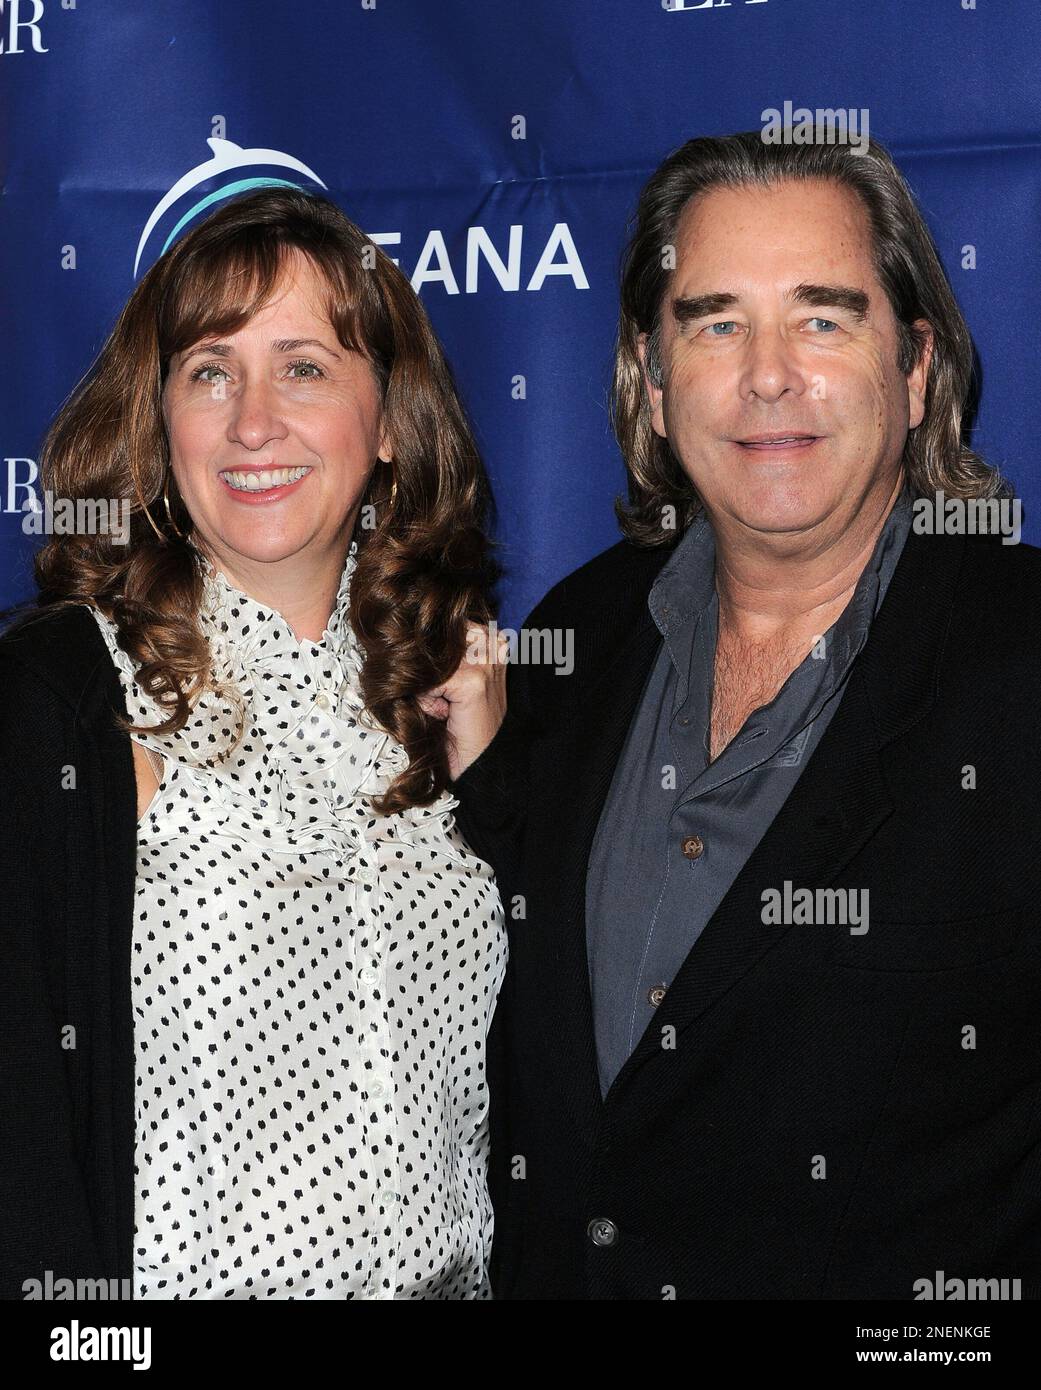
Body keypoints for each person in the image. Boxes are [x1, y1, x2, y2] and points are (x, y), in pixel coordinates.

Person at [437, 131, 1041, 1299]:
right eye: (715, 322)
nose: (769, 373)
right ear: (654, 384)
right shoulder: (575, 642)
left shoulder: (1020, 661)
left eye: (824, 318)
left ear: (916, 370)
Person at [0, 187, 509, 1300]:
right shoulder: (68, 698)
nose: (252, 422)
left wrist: (510, 794)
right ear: (160, 420)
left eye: (306, 368)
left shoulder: (453, 700)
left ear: (388, 423)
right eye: (211, 371)